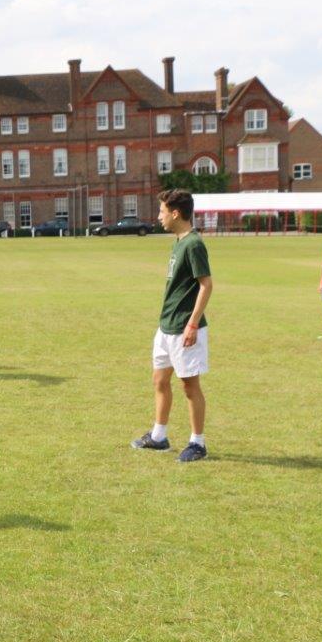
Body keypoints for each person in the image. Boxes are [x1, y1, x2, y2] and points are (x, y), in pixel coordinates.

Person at [132, 189, 213, 463]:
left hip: (184, 328)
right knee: (159, 380)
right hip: (166, 327)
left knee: (189, 386)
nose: (159, 217)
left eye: (162, 211)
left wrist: (191, 324)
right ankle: (159, 436)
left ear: (175, 213)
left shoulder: (193, 244)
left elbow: (206, 285)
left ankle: (197, 443)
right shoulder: (179, 242)